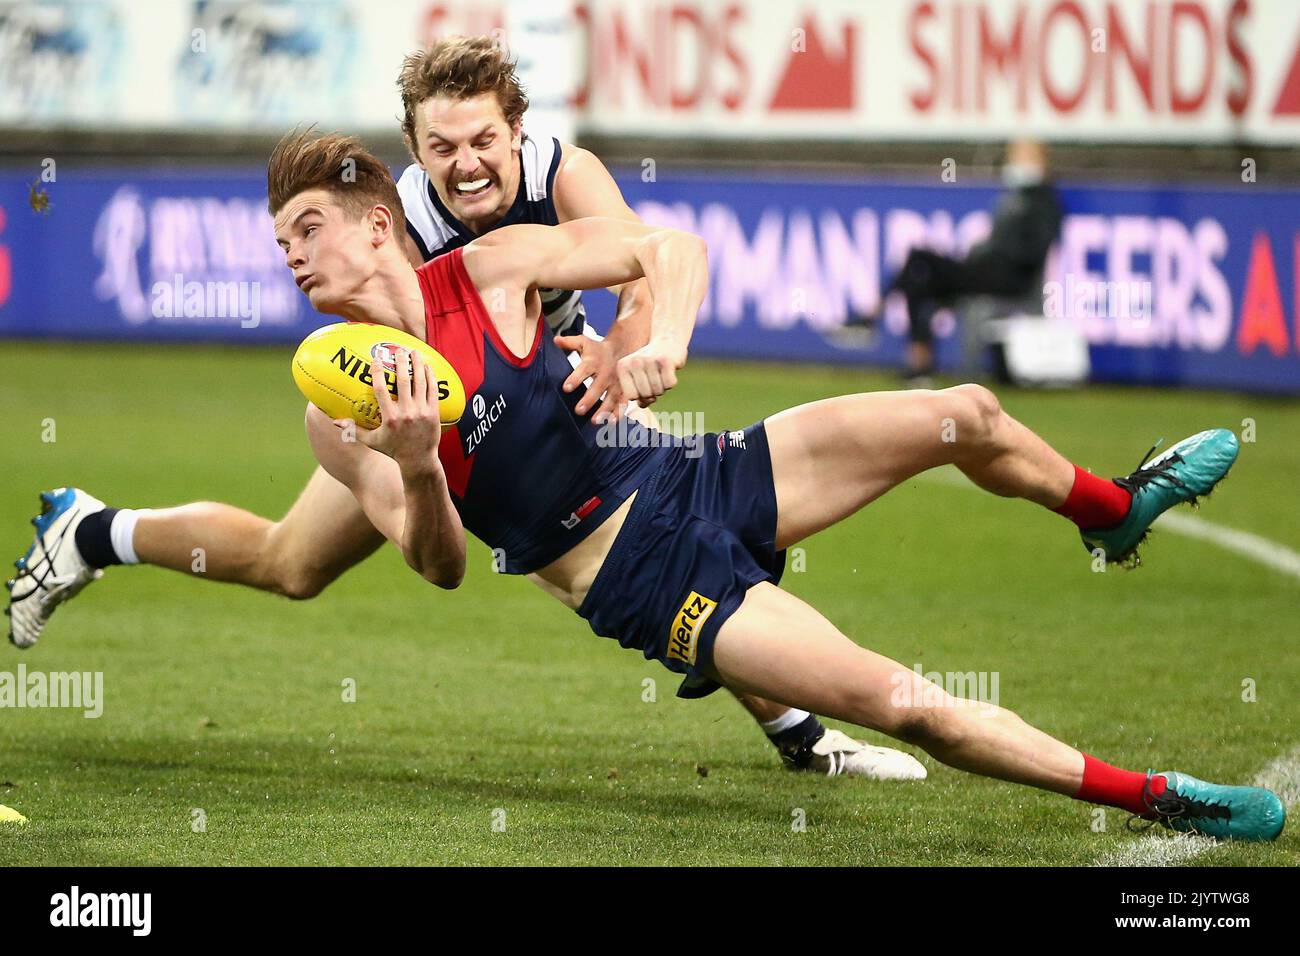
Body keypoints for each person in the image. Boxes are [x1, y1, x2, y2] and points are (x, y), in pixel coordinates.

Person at [274, 129, 1280, 840]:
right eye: (282, 244)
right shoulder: (337, 412)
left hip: (693, 471)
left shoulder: (492, 267)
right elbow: (439, 566)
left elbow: (672, 247)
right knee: (908, 702)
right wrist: (414, 462)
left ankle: (1109, 513)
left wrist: (658, 336)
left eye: (306, 227)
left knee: (963, 411)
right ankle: (1157, 795)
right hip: (644, 574)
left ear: (374, 225)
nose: (292, 256)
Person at [4, 36, 922, 782]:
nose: (466, 163)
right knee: (324, 560)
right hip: (427, 412)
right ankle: (94, 533)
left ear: (515, 131)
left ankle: (90, 531)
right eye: (441, 148)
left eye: (483, 141)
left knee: (618, 531)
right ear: (416, 152)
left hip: (546, 391)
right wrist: (402, 441)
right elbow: (374, 311)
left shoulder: (563, 176)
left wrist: (623, 347)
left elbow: (647, 262)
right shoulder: (403, 220)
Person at [843, 139, 1063, 387]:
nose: (1017, 164)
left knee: (920, 257)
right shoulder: (1012, 198)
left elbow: (1029, 252)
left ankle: (873, 318)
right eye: (1015, 157)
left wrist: (992, 251)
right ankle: (920, 366)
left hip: (1008, 281)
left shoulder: (1045, 201)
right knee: (918, 278)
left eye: (1025, 157)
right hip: (987, 273)